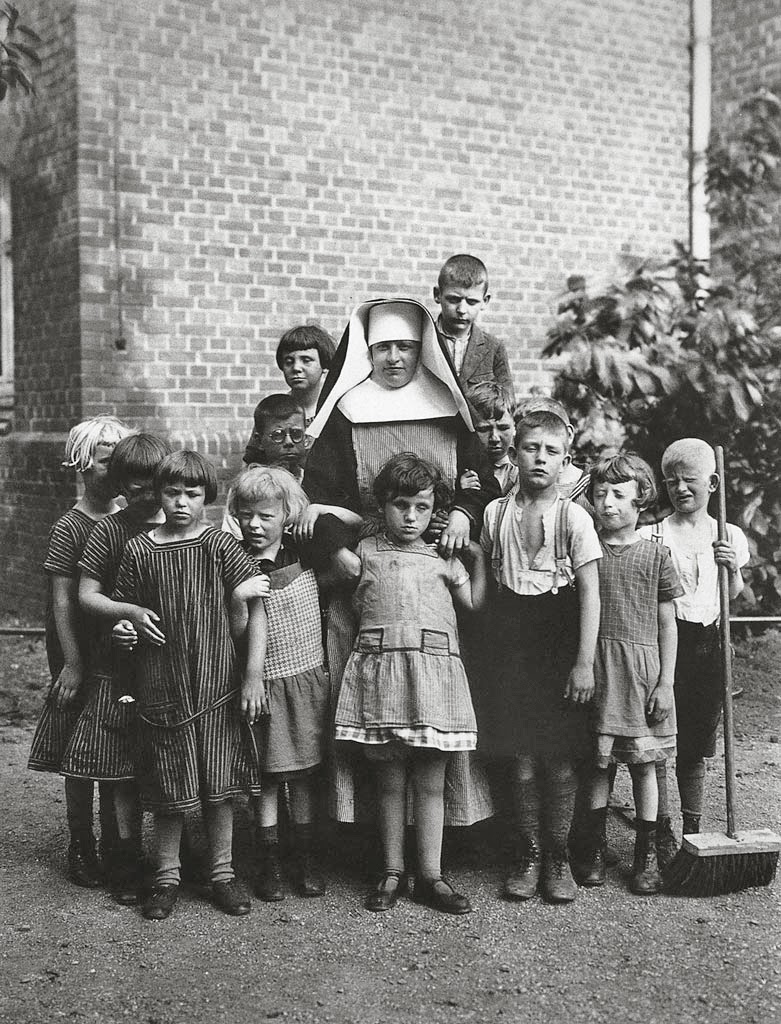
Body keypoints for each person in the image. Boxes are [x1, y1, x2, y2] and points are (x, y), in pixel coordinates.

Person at [303, 297, 497, 828]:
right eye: (383, 347)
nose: (393, 358)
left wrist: (463, 511)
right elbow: (314, 497)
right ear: (367, 351)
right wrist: (334, 551)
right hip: (369, 578)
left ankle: (449, 836)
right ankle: (368, 835)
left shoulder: (449, 409)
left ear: (423, 350)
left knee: (440, 712)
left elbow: (486, 483)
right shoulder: (347, 413)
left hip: (440, 579)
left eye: (405, 347)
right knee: (371, 716)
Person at [112, 451, 268, 921]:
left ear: (207, 497)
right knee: (168, 783)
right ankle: (166, 877)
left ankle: (222, 873)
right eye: (172, 492)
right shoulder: (141, 549)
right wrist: (125, 627)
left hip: (217, 683)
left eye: (192, 494)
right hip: (163, 685)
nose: (181, 502)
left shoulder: (219, 545)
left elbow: (256, 609)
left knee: (219, 784)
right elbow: (125, 611)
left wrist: (253, 675)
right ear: (158, 494)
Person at [333, 454, 487, 914]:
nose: (411, 517)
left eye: (422, 507)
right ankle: (391, 871)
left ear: (434, 508)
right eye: (401, 505)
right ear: (383, 504)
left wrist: (475, 555)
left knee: (432, 784)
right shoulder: (364, 552)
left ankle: (432, 876)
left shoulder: (443, 556)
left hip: (434, 678)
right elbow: (336, 586)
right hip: (381, 677)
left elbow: (474, 604)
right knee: (389, 783)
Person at [479, 410, 601, 903]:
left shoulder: (575, 517)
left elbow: (591, 593)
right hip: (510, 639)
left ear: (565, 461)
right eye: (531, 448)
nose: (540, 459)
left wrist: (583, 662)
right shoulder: (495, 513)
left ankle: (558, 856)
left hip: (559, 637)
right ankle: (527, 854)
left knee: (560, 757)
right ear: (514, 453)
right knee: (523, 756)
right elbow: (484, 585)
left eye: (551, 452)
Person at [227, 466, 338, 903]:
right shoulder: (235, 559)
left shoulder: (303, 550)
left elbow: (353, 531)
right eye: (247, 515)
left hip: (306, 676)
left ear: (287, 515)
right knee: (269, 777)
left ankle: (305, 857)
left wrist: (318, 509)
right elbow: (236, 629)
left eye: (266, 516)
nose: (255, 525)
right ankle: (269, 860)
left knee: (305, 774)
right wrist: (239, 598)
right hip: (263, 682)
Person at [28, 415, 130, 887]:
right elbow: (61, 602)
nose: (114, 473)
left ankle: (116, 842)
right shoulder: (71, 526)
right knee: (78, 746)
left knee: (112, 741)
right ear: (84, 466)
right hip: (78, 645)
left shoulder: (128, 514)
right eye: (107, 463)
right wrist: (70, 662)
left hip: (116, 645)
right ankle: (80, 844)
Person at [70, 432, 172, 904]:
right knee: (121, 762)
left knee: (170, 757)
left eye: (151, 486)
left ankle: (175, 860)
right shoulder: (108, 530)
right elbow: (86, 594)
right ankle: (127, 858)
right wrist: (126, 613)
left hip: (172, 659)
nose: (143, 497)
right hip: (121, 658)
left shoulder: (182, 524)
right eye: (132, 488)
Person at [578, 454, 682, 895]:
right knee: (598, 765)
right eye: (600, 494)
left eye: (618, 495)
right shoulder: (586, 550)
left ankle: (646, 854)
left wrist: (666, 683)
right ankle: (594, 849)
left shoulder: (656, 555)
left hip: (641, 673)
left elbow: (667, 623)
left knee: (643, 765)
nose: (606, 503)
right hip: (598, 669)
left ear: (641, 500)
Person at [639, 438, 749, 847]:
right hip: (664, 644)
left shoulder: (729, 534)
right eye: (672, 483)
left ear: (713, 483)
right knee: (660, 736)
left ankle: (692, 827)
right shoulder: (653, 535)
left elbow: (731, 595)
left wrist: (731, 567)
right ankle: (661, 826)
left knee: (696, 742)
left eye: (690, 481)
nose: (681, 489)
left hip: (709, 646)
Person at [433, 253, 514, 399]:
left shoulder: (494, 347)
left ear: (485, 301)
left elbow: (507, 401)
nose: (462, 310)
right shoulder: (424, 339)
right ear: (437, 294)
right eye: (453, 299)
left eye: (472, 302)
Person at [459, 382, 518, 496]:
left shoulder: (524, 467)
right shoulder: (462, 470)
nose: (494, 438)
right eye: (483, 429)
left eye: (503, 428)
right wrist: (461, 493)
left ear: (514, 425)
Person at [275, 323, 336, 426]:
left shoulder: (335, 411)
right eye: (289, 362)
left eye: (306, 360)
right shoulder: (273, 412)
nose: (296, 368)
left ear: (324, 364)